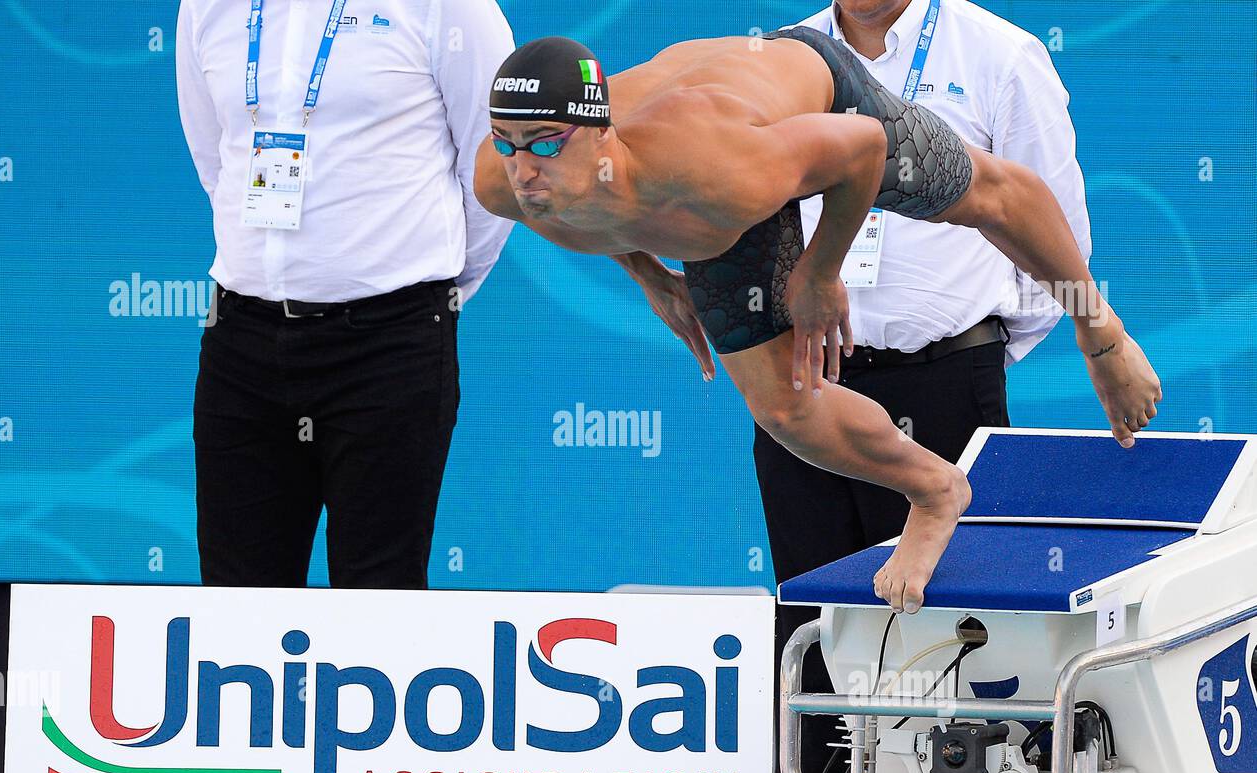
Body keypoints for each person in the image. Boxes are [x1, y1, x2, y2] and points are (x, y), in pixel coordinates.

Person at [475, 33, 1162, 614]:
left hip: (808, 98)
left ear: (597, 136)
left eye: (542, 144)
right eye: (508, 143)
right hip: (695, 197)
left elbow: (860, 148)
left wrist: (820, 270)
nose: (524, 168)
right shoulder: (504, 181)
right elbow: (590, 207)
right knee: (783, 407)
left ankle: (1101, 331)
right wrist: (653, 276)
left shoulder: (720, 169)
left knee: (986, 194)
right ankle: (936, 488)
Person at [755, 0, 1097, 773]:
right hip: (811, 387)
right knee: (814, 632)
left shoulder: (1000, 56)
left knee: (959, 640)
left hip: (947, 388)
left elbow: (1054, 227)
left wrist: (965, 346)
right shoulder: (782, 58)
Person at [176, 0, 514, 589]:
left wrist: (434, 288)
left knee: (377, 597)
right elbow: (215, 155)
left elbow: (493, 165)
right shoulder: (205, 6)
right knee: (234, 599)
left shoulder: (448, 8)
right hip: (241, 344)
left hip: (389, 345)